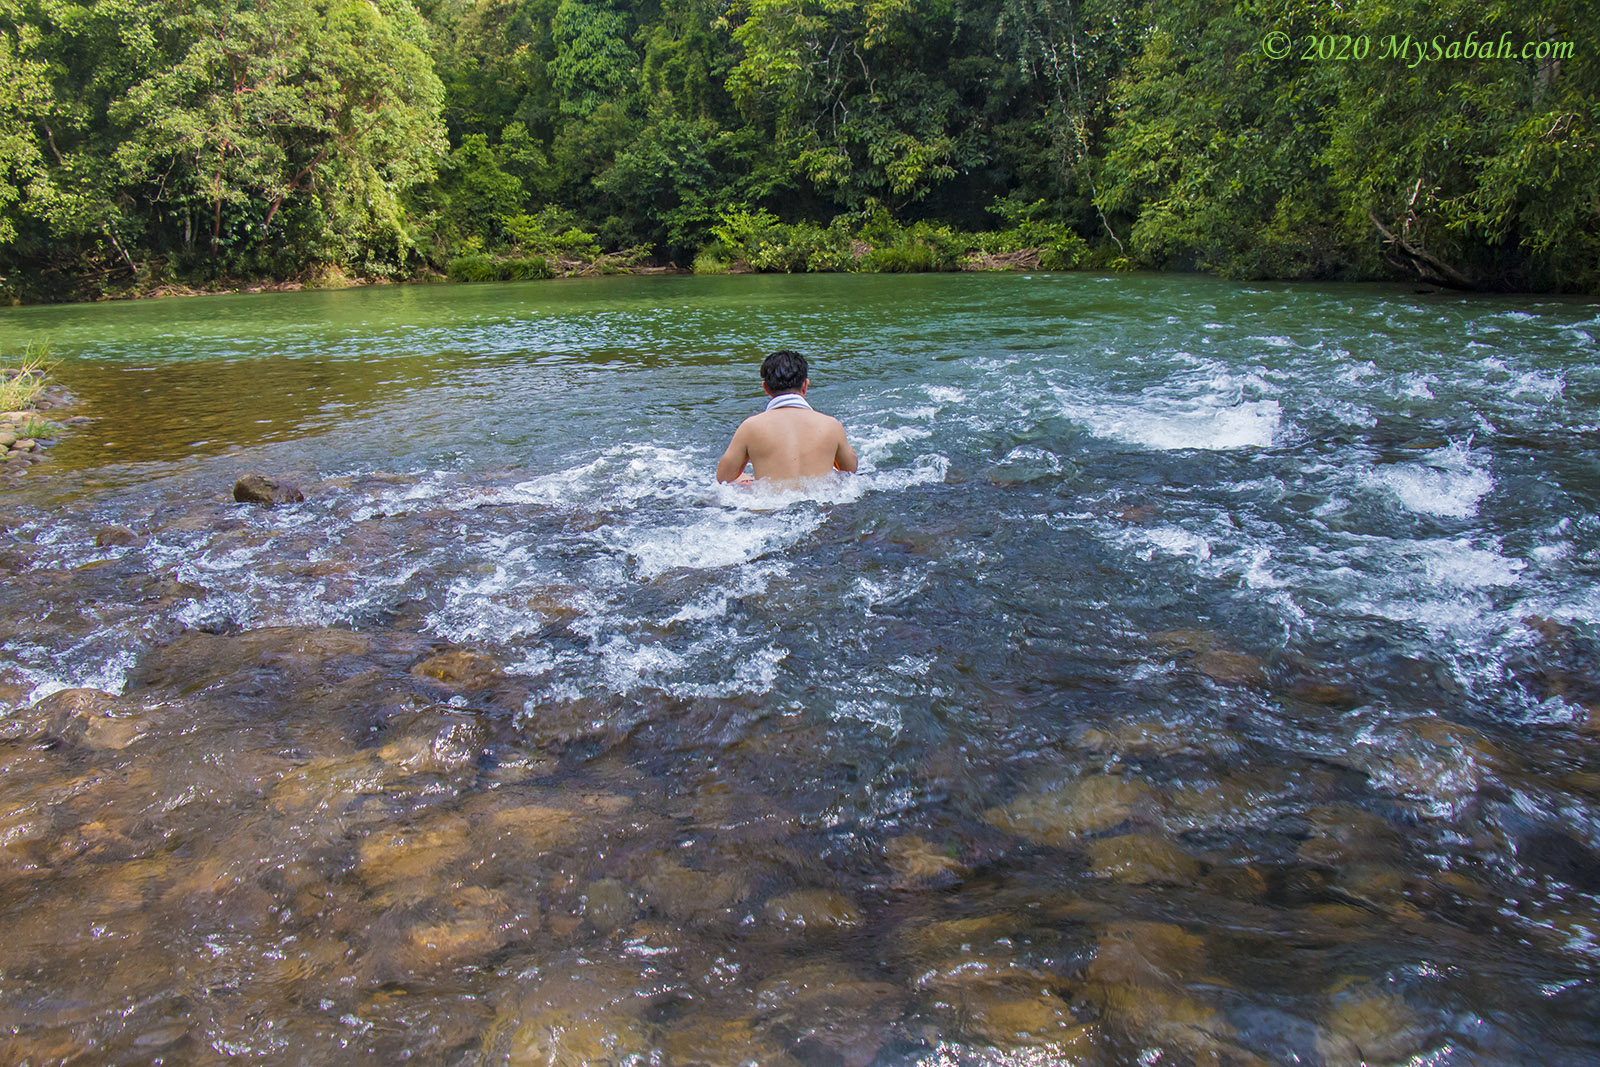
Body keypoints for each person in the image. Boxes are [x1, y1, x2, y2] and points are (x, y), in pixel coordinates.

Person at [716, 350, 858, 483]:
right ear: (805, 385)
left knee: (742, 480)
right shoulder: (831, 425)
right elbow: (850, 470)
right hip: (823, 505)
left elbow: (723, 478)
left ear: (765, 388)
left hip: (770, 507)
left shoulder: (750, 427)